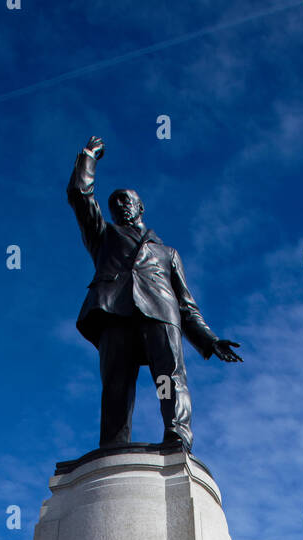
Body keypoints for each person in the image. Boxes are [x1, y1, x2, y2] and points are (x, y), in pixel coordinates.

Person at [67, 136, 242, 454]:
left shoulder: (168, 253)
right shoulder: (103, 236)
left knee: (168, 378)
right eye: (114, 202)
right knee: (116, 385)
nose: (119, 205)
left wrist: (209, 339)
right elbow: (79, 196)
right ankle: (112, 448)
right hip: (114, 310)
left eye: (126, 200)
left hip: (161, 312)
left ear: (140, 206)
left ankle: (177, 432)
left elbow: (187, 306)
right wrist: (88, 157)